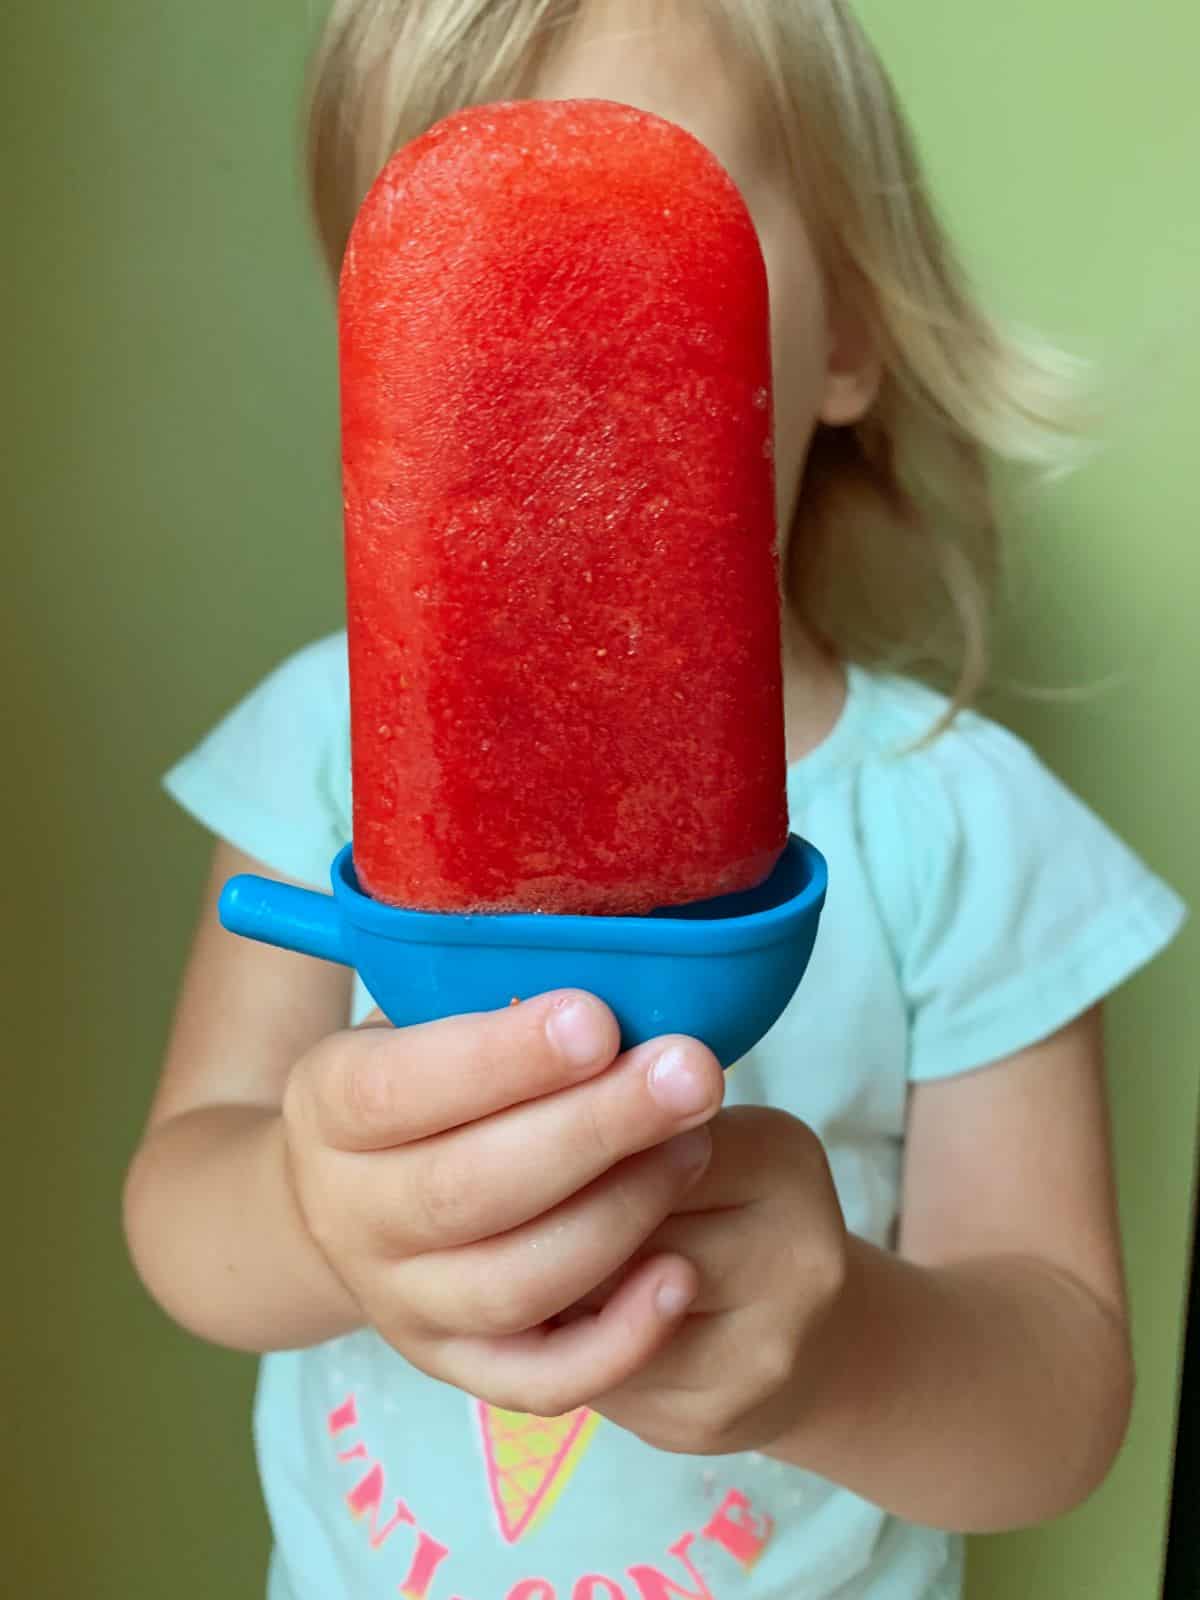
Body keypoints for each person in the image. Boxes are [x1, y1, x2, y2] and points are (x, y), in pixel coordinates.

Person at [123, 3, 1186, 1598]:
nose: (539, 346)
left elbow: (1061, 1400)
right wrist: (311, 1208)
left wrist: (838, 1353)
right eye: (460, 264)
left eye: (633, 233)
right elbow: (179, 1211)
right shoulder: (325, 746)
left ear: (844, 335)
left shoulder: (962, 829)